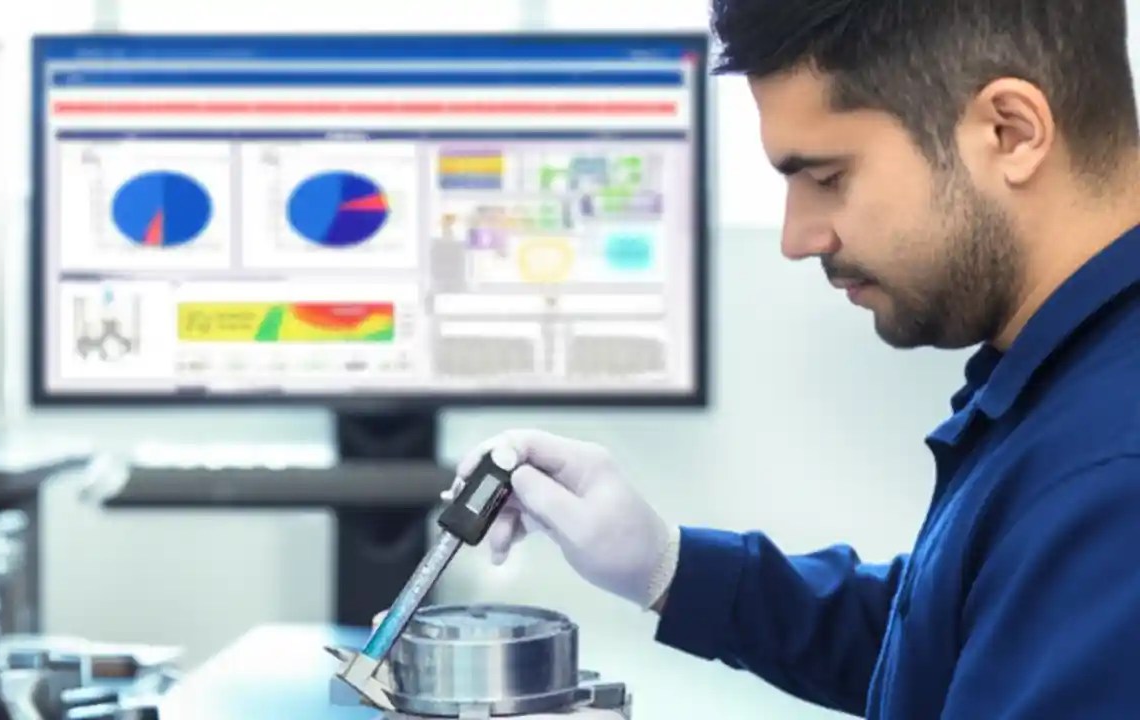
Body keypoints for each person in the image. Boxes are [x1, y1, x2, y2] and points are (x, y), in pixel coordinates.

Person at [449, 1, 1140, 718]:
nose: (797, 236)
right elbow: (955, 643)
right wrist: (666, 565)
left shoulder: (1113, 480)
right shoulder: (1075, 383)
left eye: (828, 178)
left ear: (1010, 132)